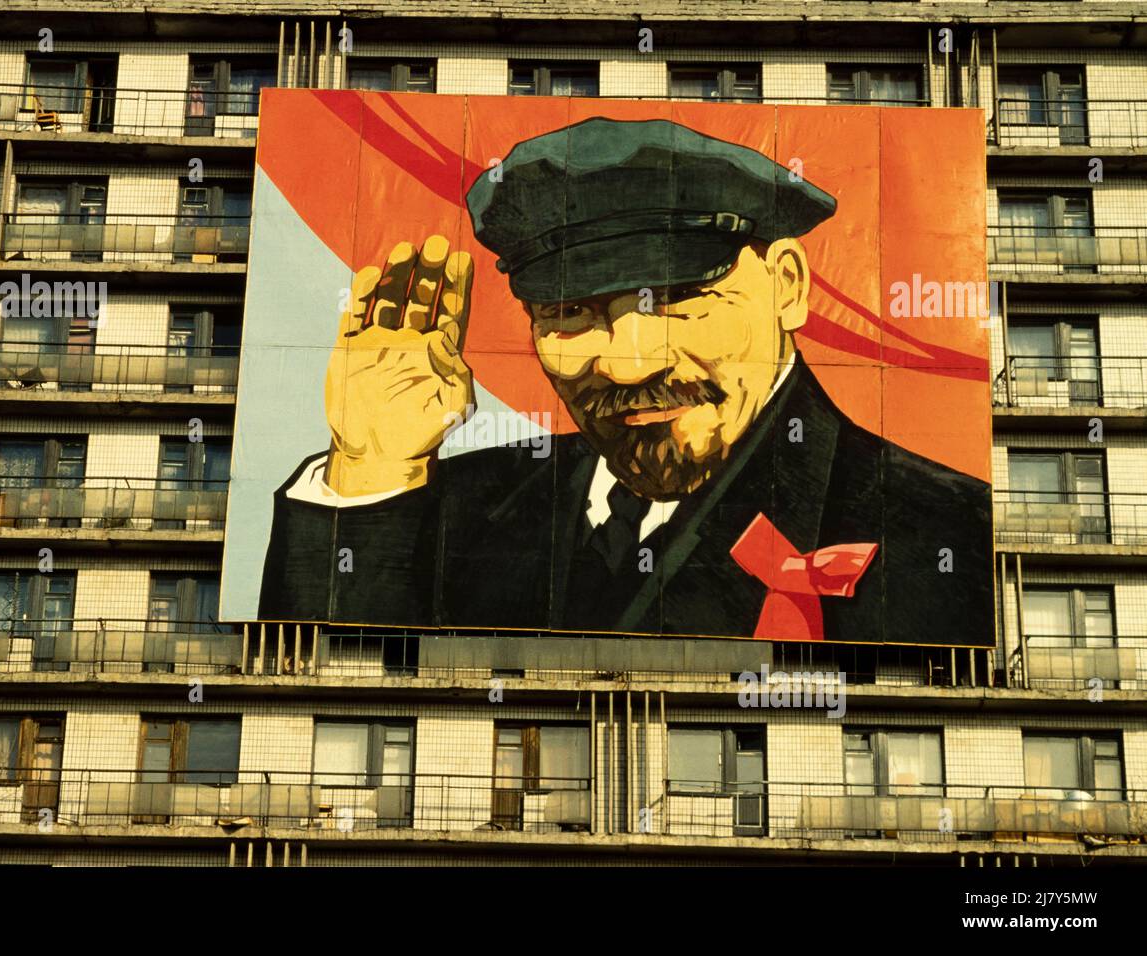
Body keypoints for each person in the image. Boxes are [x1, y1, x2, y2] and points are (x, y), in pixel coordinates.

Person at [256, 117, 991, 644]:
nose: (630, 362)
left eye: (679, 299)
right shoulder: (444, 507)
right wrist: (372, 469)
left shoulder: (944, 531)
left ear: (788, 287)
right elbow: (330, 696)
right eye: (571, 311)